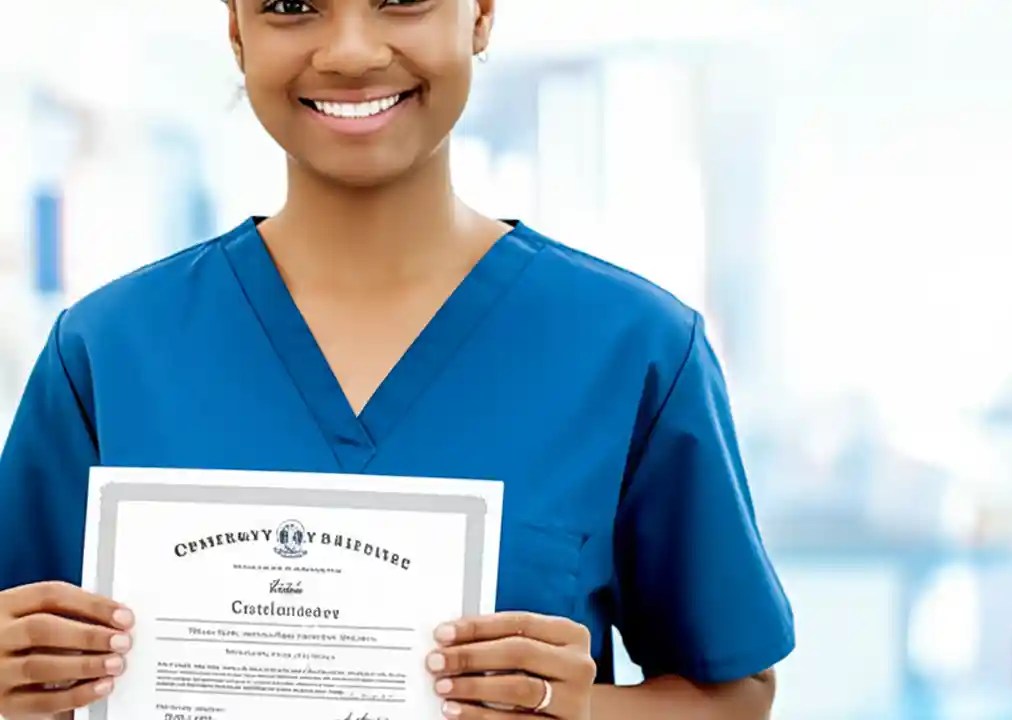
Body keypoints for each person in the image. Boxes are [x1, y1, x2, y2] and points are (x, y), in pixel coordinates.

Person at [0, 0, 795, 718]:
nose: (350, 51)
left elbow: (732, 694)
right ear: (236, 29)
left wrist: (579, 713)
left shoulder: (635, 347)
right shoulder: (106, 351)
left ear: (481, 15)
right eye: (289, 5)